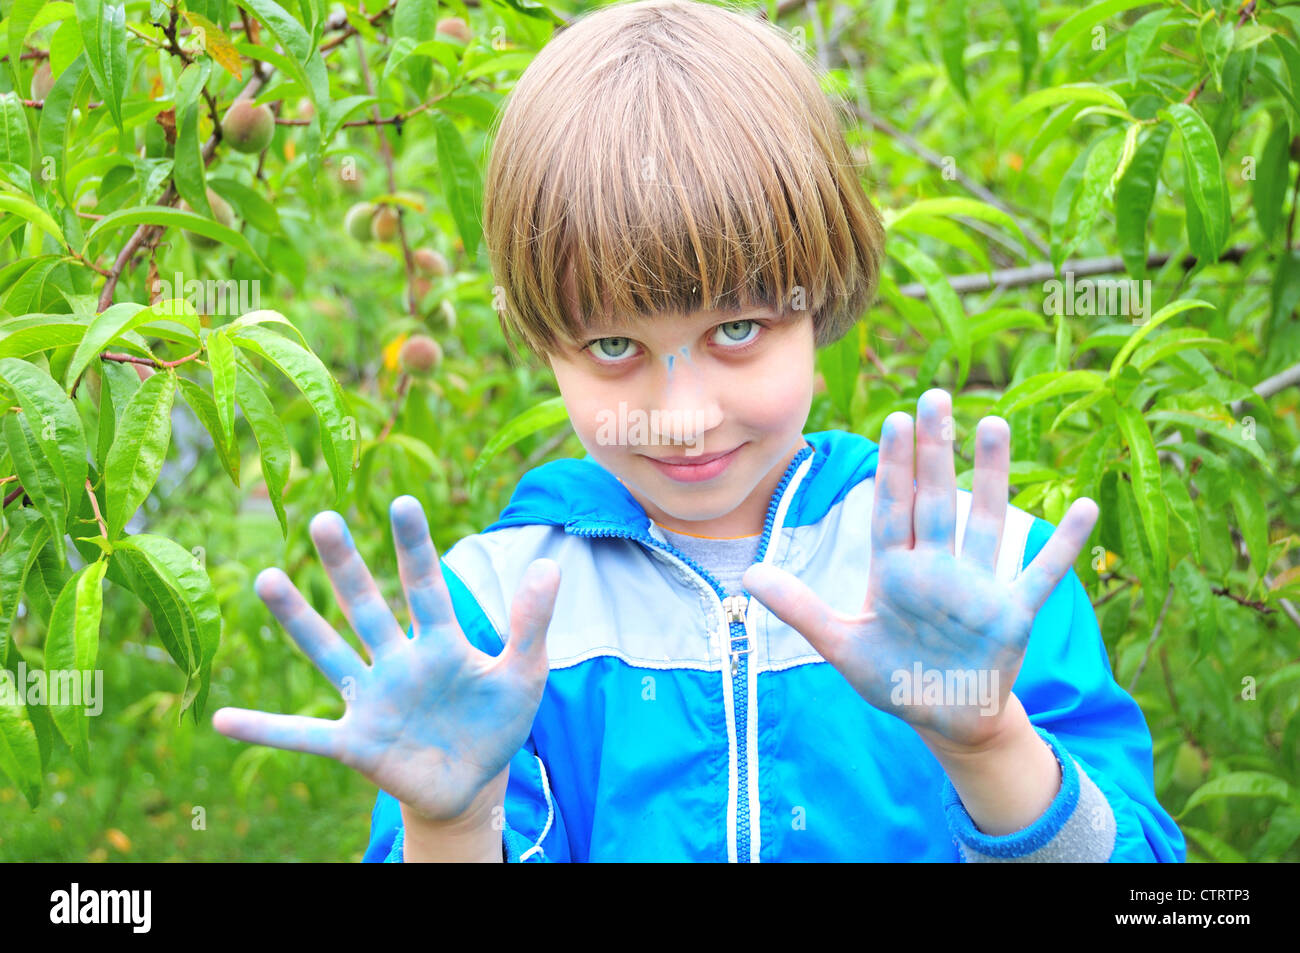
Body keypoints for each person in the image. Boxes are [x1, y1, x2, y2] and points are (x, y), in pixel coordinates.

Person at [213, 0, 1186, 862]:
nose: (679, 414)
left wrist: (991, 744)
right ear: (536, 336)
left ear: (824, 292)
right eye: (611, 342)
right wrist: (449, 828)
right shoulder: (497, 618)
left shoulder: (986, 586)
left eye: (736, 329)